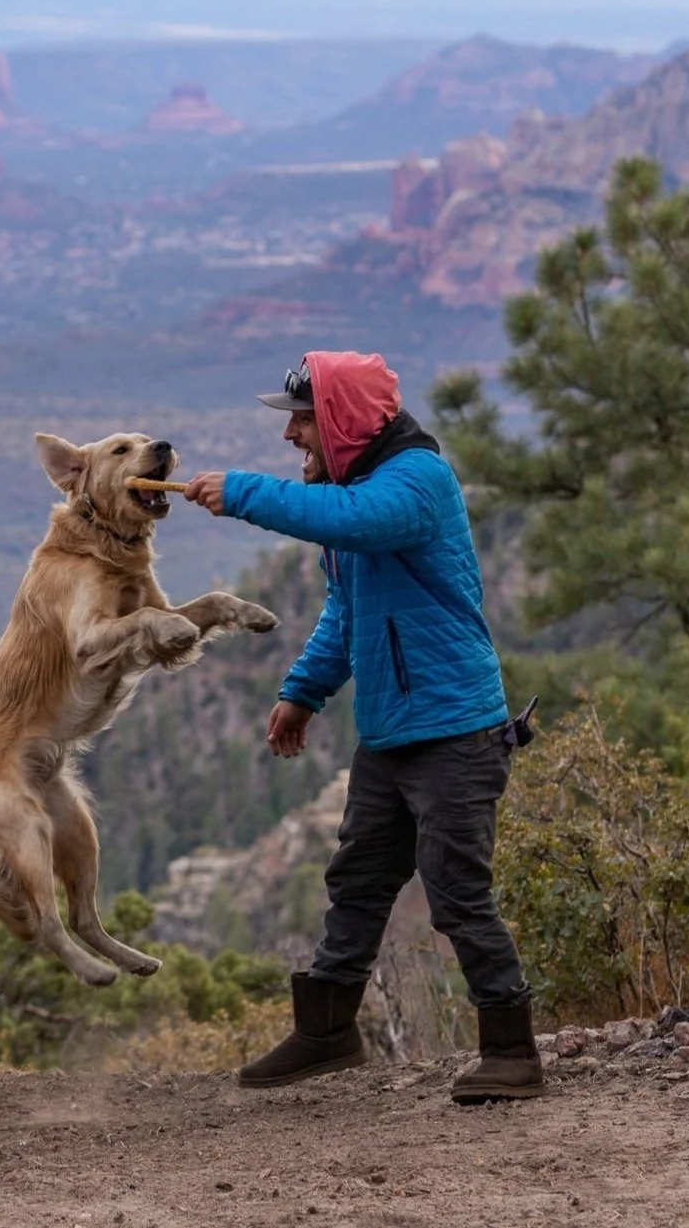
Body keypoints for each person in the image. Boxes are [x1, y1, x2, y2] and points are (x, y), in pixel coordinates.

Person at [182, 350, 543, 1104]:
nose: (292, 438)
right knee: (357, 881)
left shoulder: (416, 482)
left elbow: (354, 521)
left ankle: (512, 1050)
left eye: (301, 422)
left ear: (340, 419)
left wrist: (240, 492)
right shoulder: (359, 490)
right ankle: (326, 1033)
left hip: (453, 732)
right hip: (392, 732)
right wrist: (303, 692)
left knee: (456, 893)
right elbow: (347, 610)